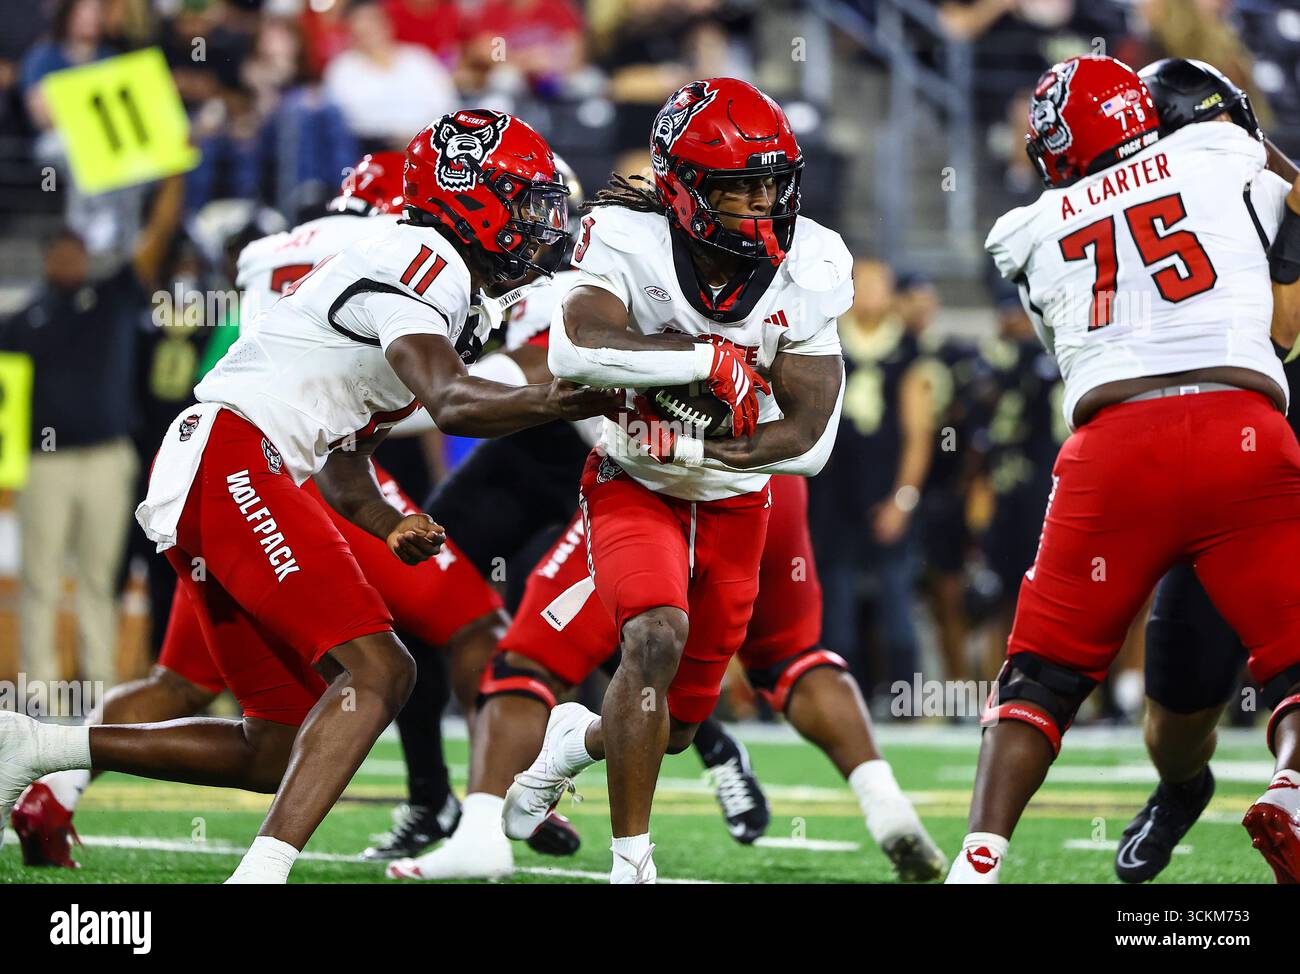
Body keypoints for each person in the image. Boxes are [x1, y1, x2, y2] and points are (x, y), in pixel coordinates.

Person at [0, 109, 619, 884]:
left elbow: (344, 455)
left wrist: (387, 521)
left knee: (272, 747)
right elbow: (456, 403)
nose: (539, 226)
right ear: (473, 200)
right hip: (236, 454)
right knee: (382, 671)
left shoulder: (440, 283)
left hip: (240, 461)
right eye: (524, 204)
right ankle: (260, 876)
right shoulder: (425, 256)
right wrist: (588, 394)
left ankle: (36, 748)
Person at [947, 54, 1300, 884]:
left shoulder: (1026, 229)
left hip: (1117, 445)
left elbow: (1075, 352)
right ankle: (1287, 786)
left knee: (1039, 674)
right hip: (1242, 431)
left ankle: (979, 858)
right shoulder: (1222, 156)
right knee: (1289, 669)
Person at [500, 77, 850, 884]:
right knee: (654, 636)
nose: (765, 203)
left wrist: (709, 446)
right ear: (684, 190)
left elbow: (807, 440)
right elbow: (576, 348)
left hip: (734, 503)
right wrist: (708, 362)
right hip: (633, 482)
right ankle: (633, 863)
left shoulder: (813, 260)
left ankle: (572, 743)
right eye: (741, 188)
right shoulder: (626, 236)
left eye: (774, 182)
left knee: (682, 724)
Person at [390, 471, 946, 882]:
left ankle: (501, 811)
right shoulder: (794, 311)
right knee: (781, 654)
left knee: (558, 665)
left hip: (658, 484)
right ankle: (884, 802)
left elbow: (565, 367)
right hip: (761, 482)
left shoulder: (610, 312)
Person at [1113, 57, 1300, 884]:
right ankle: (1182, 788)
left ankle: (1290, 792)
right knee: (1177, 714)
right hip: (1230, 481)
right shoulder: (1167, 212)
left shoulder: (1272, 190)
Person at [0, 175, 183, 692]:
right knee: (39, 580)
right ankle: (38, 691)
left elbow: (156, 239)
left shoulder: (114, 298)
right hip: (43, 462)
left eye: (76, 252)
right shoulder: (18, 321)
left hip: (108, 458)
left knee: (100, 580)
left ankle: (99, 690)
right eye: (60, 253)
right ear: (45, 259)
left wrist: (173, 176)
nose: (69, 261)